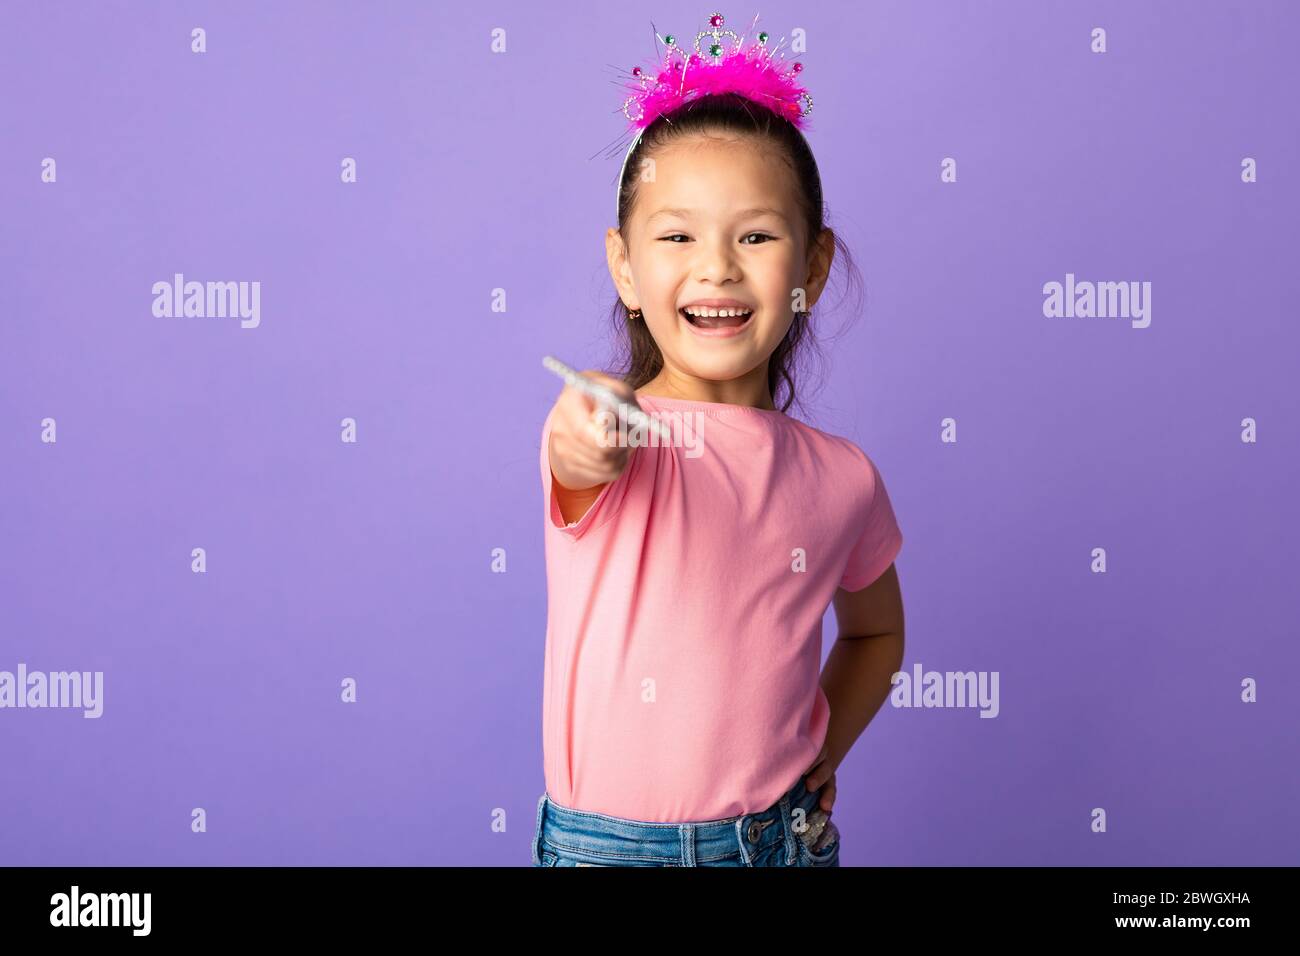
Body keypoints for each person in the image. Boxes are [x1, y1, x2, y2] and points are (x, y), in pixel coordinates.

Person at [532, 13, 905, 867]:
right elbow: (579, 451)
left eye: (757, 236)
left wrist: (824, 751)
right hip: (608, 852)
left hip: (778, 841)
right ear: (626, 268)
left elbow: (878, 635)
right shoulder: (613, 427)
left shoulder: (843, 478)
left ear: (810, 268)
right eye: (676, 236)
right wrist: (588, 440)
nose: (718, 267)